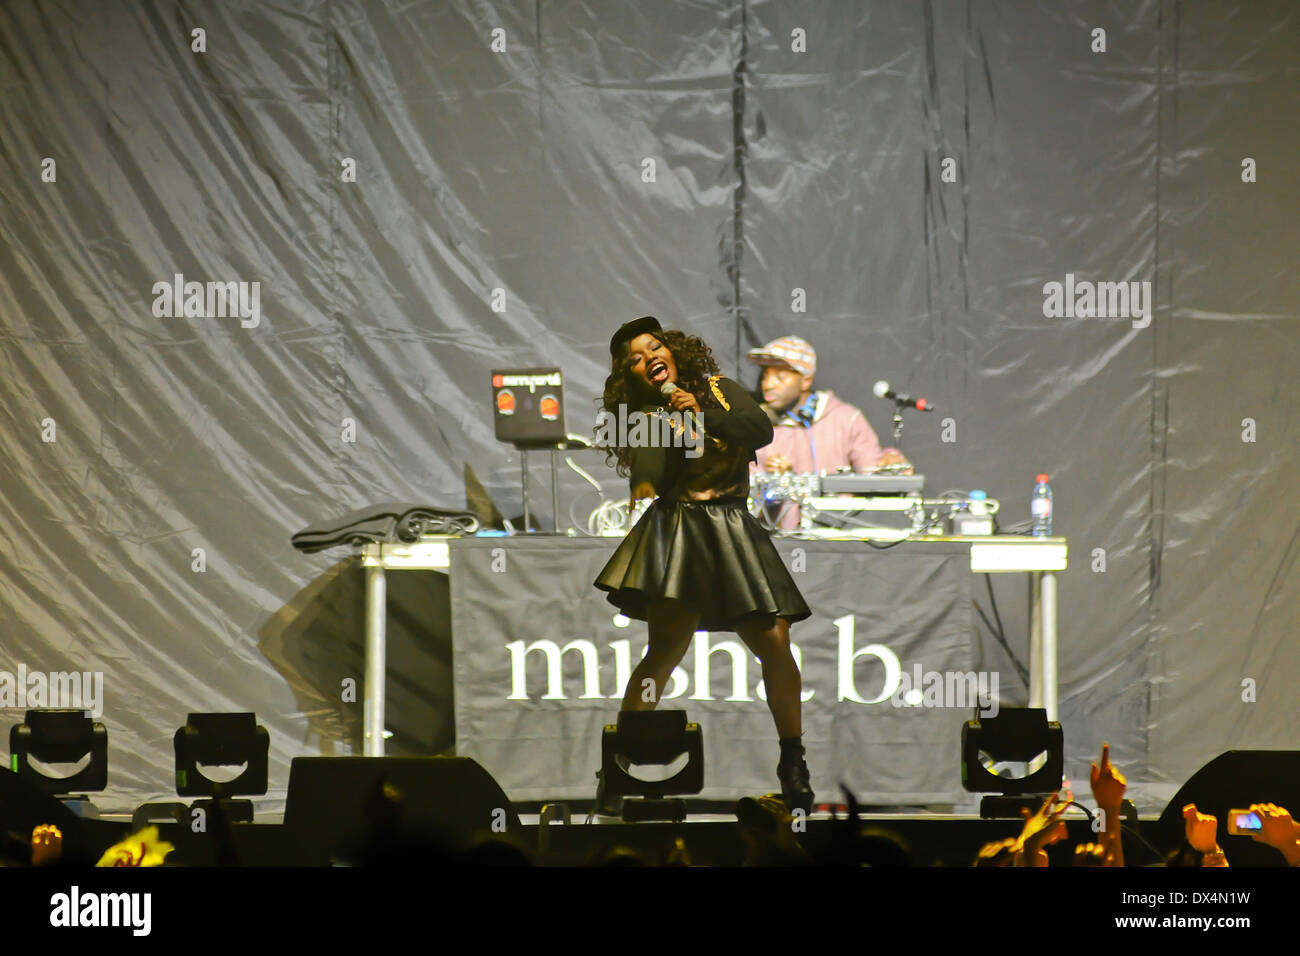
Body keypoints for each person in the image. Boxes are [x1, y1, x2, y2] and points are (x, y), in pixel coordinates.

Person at [593, 316, 815, 814]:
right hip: (681, 531)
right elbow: (650, 467)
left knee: (775, 641)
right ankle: (617, 768)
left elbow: (757, 430)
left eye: (654, 347)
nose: (647, 356)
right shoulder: (648, 415)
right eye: (634, 358)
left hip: (732, 527)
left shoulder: (717, 388)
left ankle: (793, 762)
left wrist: (701, 411)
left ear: (671, 351)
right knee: (664, 653)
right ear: (630, 376)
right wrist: (643, 483)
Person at [748, 335, 909, 529]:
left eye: (780, 377)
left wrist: (890, 462)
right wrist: (776, 482)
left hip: (839, 543)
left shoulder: (846, 419)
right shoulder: (757, 426)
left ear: (805, 380)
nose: (768, 384)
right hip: (782, 545)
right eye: (765, 375)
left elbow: (873, 475)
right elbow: (749, 503)